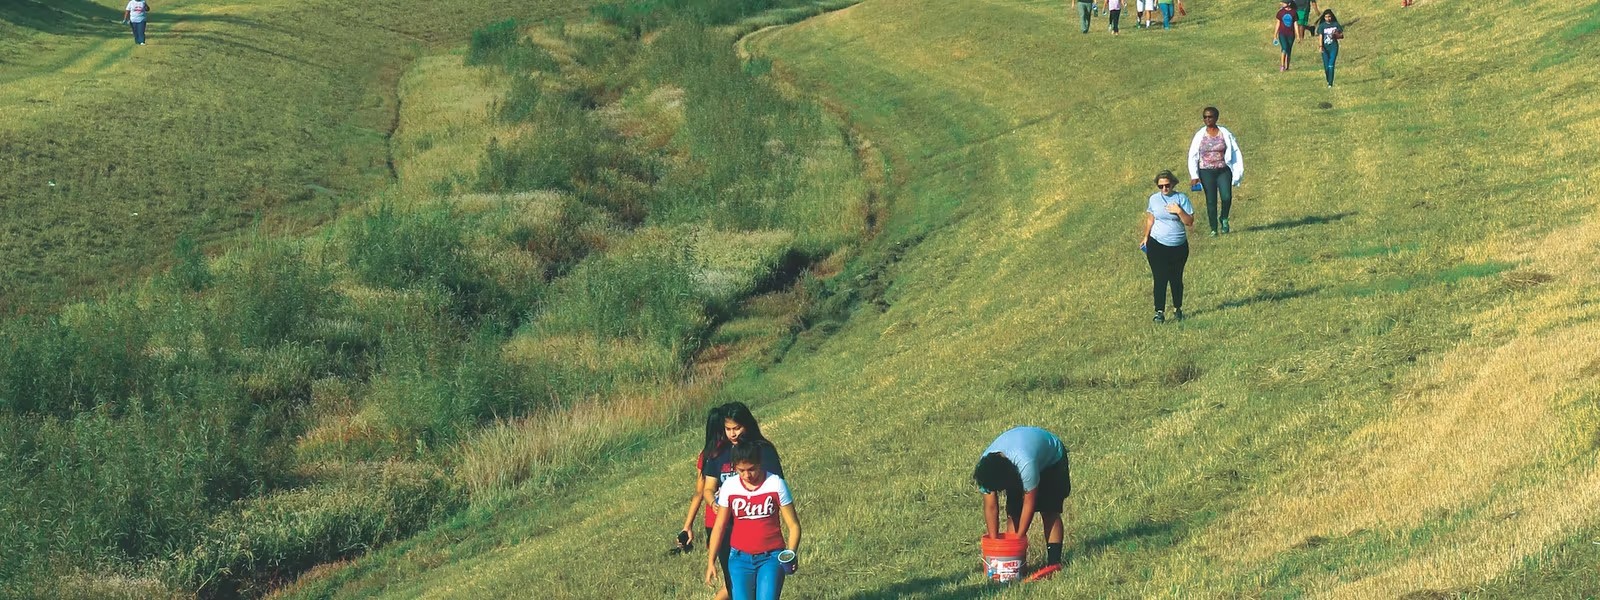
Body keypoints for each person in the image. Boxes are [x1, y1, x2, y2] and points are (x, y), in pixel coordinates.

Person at [702, 402, 785, 598]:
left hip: (758, 527)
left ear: (747, 425)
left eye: (737, 428)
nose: (733, 434)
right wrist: (713, 503)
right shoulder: (719, 453)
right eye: (728, 429)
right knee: (735, 587)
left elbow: (776, 487)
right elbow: (708, 488)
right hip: (728, 531)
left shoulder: (762, 451)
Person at [705, 443, 802, 600]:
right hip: (739, 559)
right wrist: (711, 561)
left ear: (760, 463)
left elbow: (794, 525)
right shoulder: (730, 486)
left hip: (771, 557)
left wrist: (790, 553)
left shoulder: (776, 484)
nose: (747, 475)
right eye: (741, 470)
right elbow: (720, 526)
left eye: (751, 469)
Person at [973, 426, 1071, 581]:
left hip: (1052, 460)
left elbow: (1029, 504)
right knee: (1013, 512)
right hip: (1014, 462)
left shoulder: (1025, 463)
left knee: (1049, 510)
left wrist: (1019, 539)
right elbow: (991, 507)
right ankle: (1016, 565)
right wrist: (995, 544)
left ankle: (1054, 563)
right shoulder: (985, 470)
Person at [1141, 171, 1195, 323]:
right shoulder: (1154, 199)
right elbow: (1151, 219)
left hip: (1179, 247)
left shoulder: (1181, 198)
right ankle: (1159, 311)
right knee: (1160, 278)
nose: (1164, 189)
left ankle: (1178, 308)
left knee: (1176, 278)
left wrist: (1179, 211)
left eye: (1167, 185)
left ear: (1173, 183)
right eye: (1161, 186)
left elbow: (1189, 222)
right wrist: (1146, 237)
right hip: (1157, 244)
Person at [1186, 106, 1245, 236]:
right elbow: (1193, 155)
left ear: (1216, 118)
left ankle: (1224, 217)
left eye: (1210, 117)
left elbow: (1235, 152)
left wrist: (1237, 172)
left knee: (1226, 197)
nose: (1207, 119)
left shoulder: (1224, 133)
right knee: (1211, 200)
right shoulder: (1200, 135)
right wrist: (1194, 175)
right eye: (1205, 117)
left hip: (1223, 170)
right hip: (1206, 172)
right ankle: (1214, 228)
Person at [677, 407, 725, 559]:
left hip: (712, 520)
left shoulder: (704, 455)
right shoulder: (734, 452)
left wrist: (687, 526)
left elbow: (699, 493)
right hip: (730, 517)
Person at [1314, 9, 1343, 87]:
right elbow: (1320, 37)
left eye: (1329, 16)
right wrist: (1320, 46)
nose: (1328, 18)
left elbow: (1341, 35)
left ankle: (1330, 83)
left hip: (1333, 47)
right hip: (1325, 48)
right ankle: (1328, 79)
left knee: (1331, 65)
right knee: (1326, 66)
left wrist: (1336, 35)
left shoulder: (1335, 24)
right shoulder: (1322, 26)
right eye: (1326, 17)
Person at [1273, 0, 1298, 71]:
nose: (1282, 3)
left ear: (1289, 4)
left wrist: (1298, 35)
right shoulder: (1280, 12)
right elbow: (1278, 24)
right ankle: (1282, 65)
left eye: (1283, 2)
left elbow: (1295, 24)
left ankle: (1287, 66)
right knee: (1284, 48)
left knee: (1289, 50)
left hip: (1291, 34)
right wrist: (1275, 34)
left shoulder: (1294, 12)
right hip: (1282, 34)